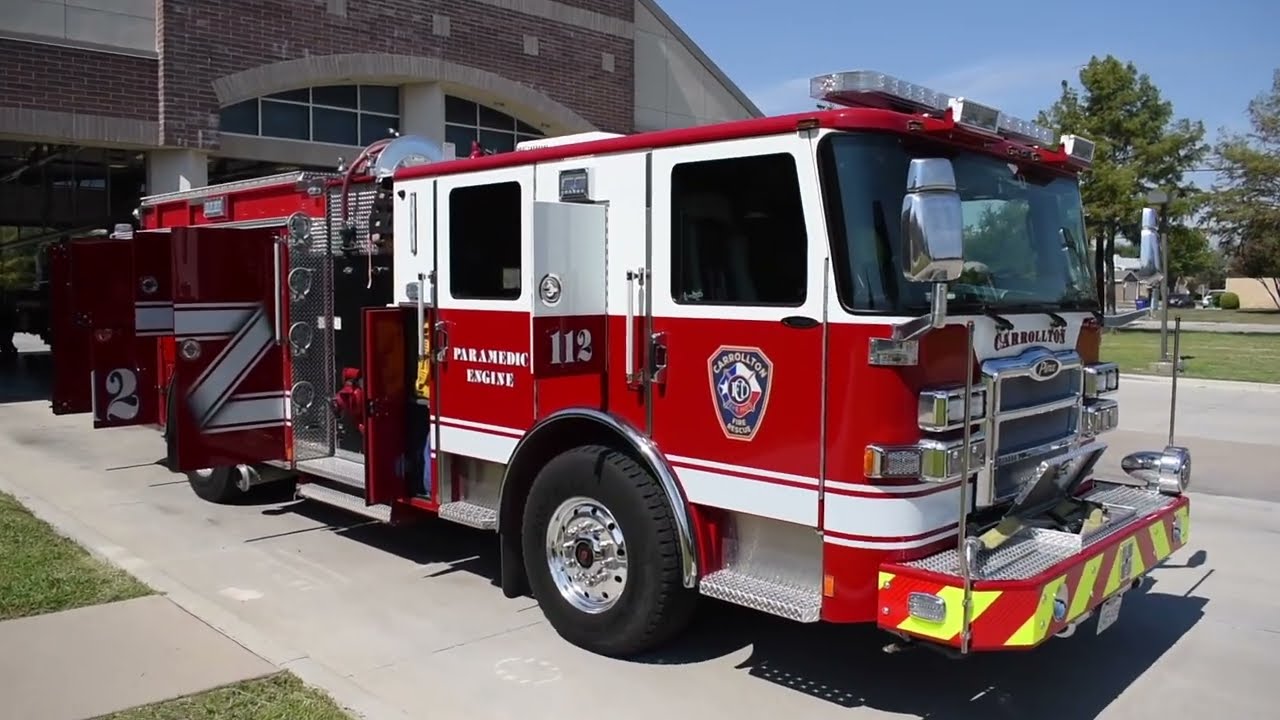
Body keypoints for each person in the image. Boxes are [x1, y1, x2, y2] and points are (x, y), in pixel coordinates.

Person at [0, 287, 18, 357]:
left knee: (5, 336)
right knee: (6, 336)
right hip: (8, 317)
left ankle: (9, 350)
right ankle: (9, 350)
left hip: (7, 317)